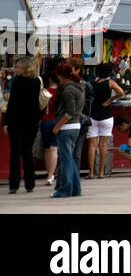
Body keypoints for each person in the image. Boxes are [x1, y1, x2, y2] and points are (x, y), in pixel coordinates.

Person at [3, 56, 42, 193]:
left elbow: (12, 103)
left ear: (24, 68)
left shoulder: (17, 81)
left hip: (16, 121)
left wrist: (6, 122)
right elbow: (37, 103)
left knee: (15, 152)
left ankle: (14, 184)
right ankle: (30, 183)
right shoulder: (36, 81)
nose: (15, 69)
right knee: (27, 152)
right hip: (31, 122)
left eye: (18, 67)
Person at [50, 62, 85, 198]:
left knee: (66, 159)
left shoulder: (68, 89)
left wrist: (57, 126)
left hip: (66, 126)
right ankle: (76, 189)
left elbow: (70, 112)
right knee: (69, 158)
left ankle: (66, 189)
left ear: (60, 75)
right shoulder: (80, 86)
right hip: (75, 126)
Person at [88, 63, 124, 179]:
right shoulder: (110, 83)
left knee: (92, 146)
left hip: (93, 114)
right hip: (106, 115)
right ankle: (101, 172)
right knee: (103, 146)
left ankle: (91, 172)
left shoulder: (92, 83)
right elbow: (121, 92)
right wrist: (110, 100)